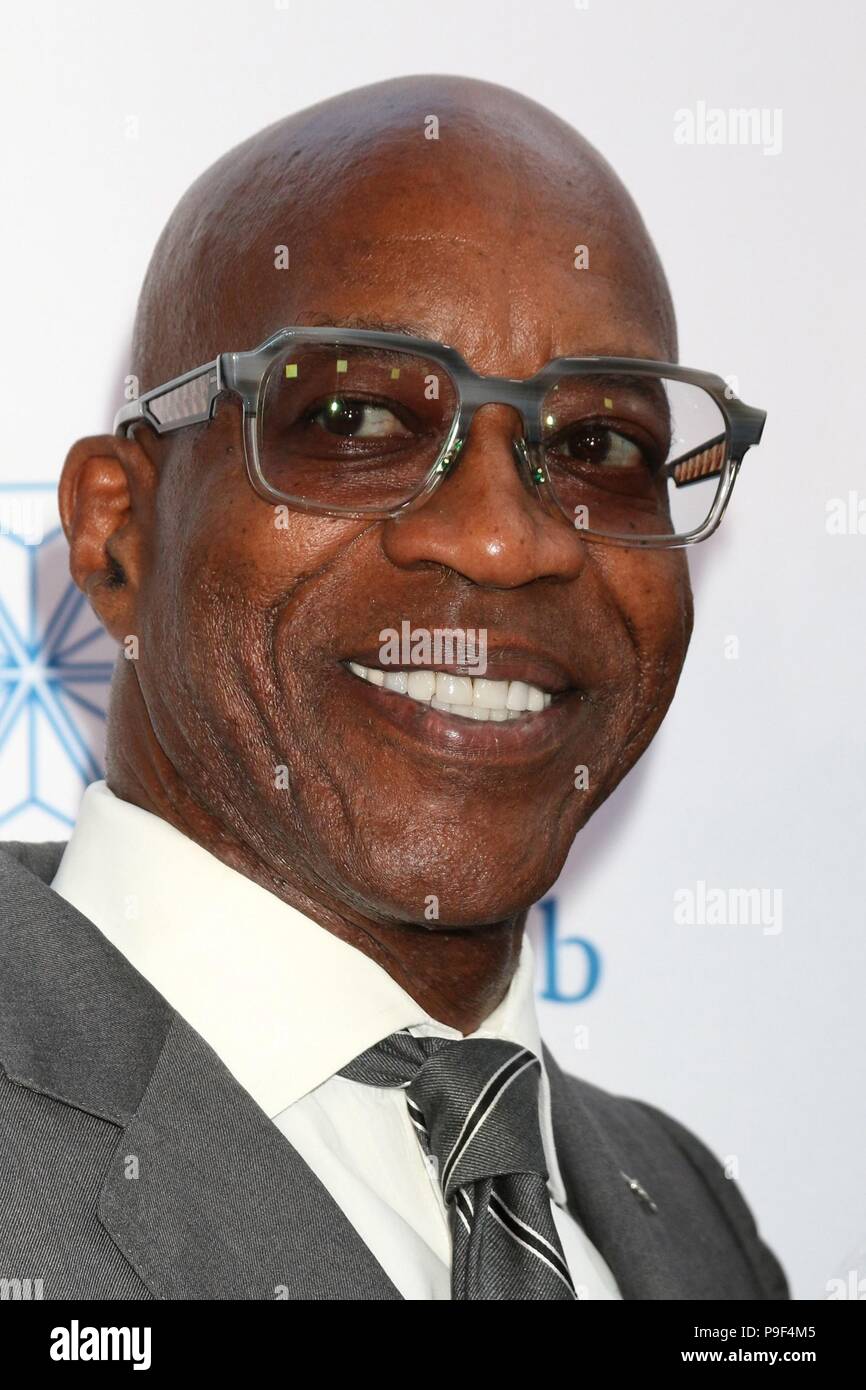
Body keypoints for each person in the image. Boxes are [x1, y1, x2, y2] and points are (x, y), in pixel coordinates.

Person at [0, 75, 787, 1301]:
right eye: (356, 416)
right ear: (116, 534)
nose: (503, 540)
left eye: (598, 446)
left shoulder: (688, 1219)